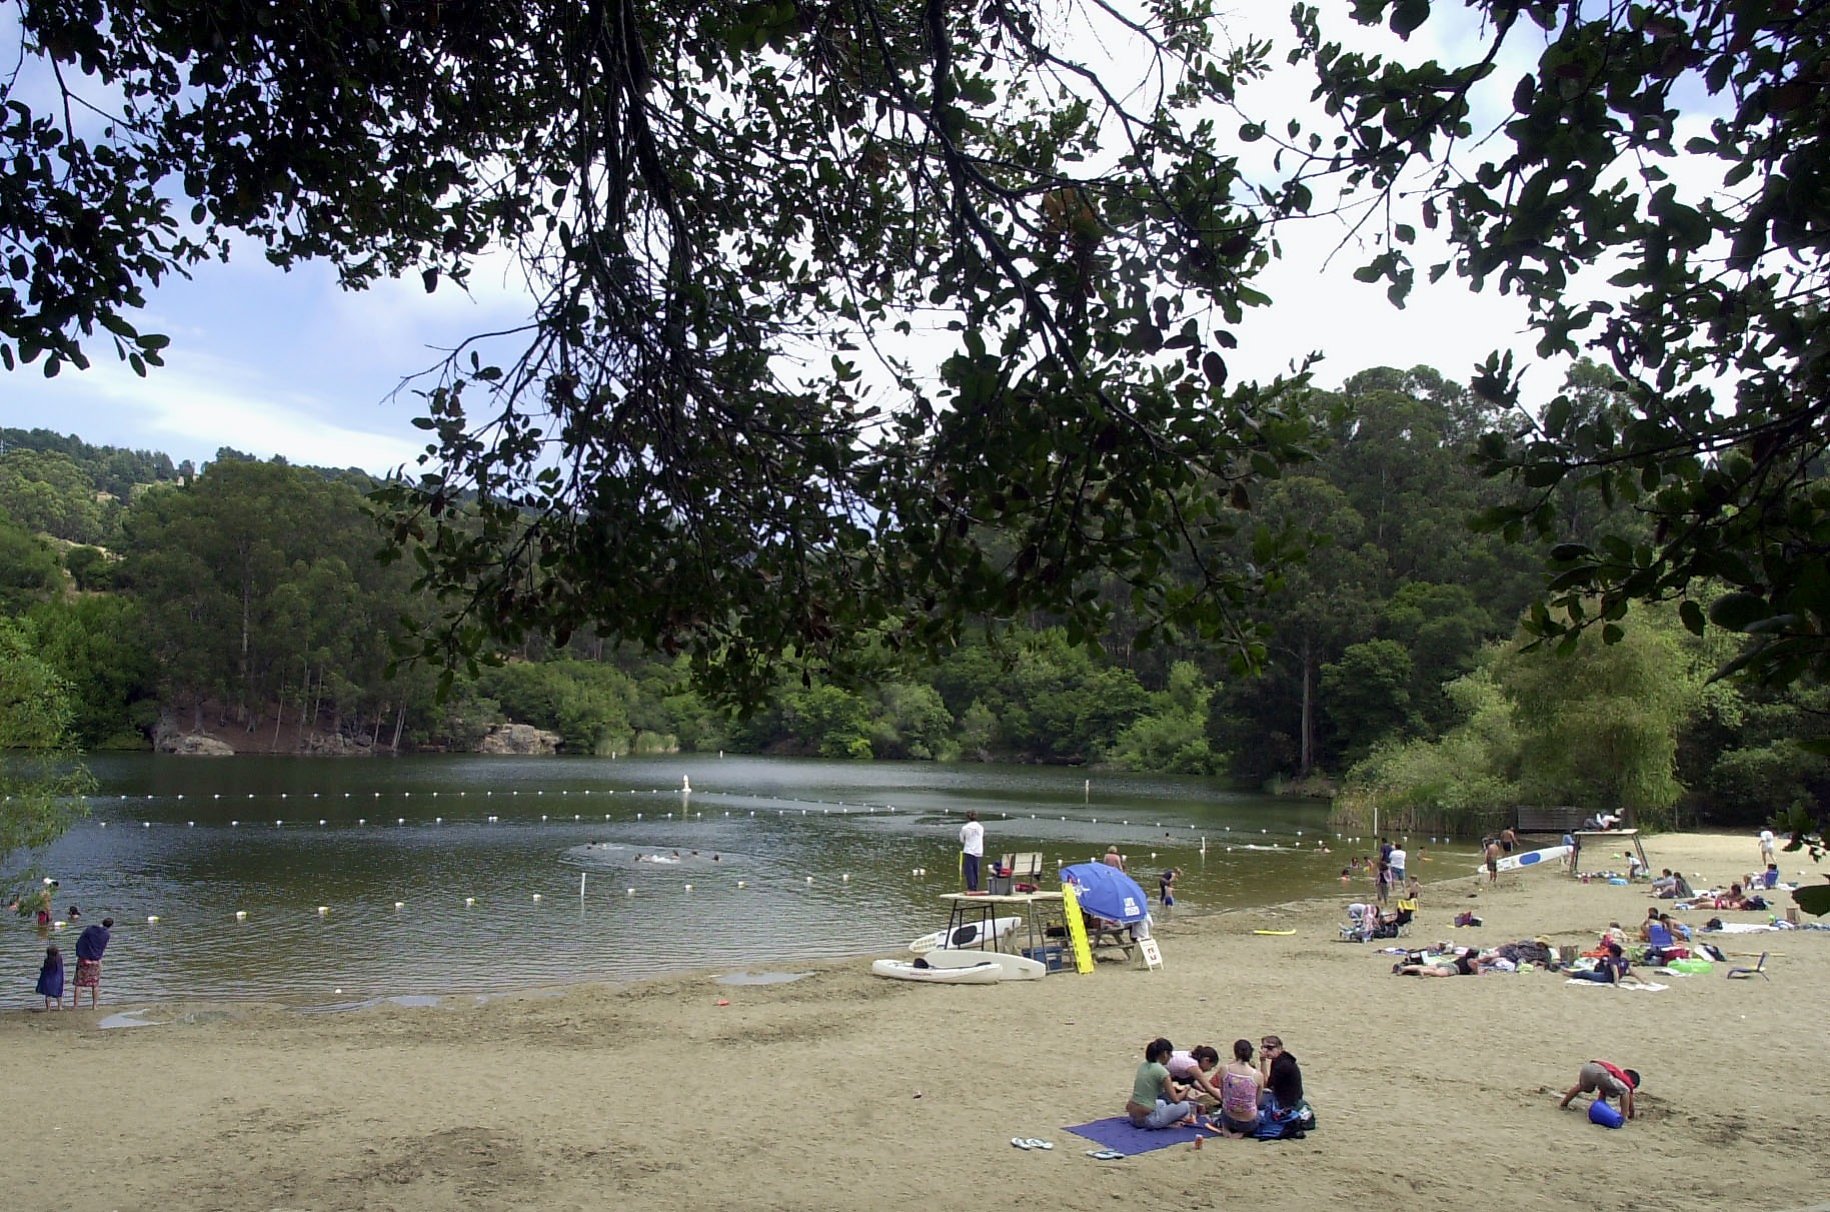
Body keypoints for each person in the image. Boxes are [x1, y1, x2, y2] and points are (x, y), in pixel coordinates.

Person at [1126, 1037, 1199, 1130]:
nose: (1171, 1057)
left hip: (1133, 1116)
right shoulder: (1162, 1072)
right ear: (1165, 1054)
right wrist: (1186, 1089)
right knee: (1185, 1106)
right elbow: (1176, 1100)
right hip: (1148, 1120)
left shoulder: (1143, 1065)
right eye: (1170, 1054)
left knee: (1161, 1102)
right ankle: (1181, 1120)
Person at [1559, 1060, 1639, 1121]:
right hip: (1601, 1071)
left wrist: (1600, 1108)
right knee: (1625, 1091)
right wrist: (1631, 1115)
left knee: (1583, 1087)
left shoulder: (1615, 1075)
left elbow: (1602, 1092)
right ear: (1633, 1084)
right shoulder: (1627, 1082)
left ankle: (1564, 1103)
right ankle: (1622, 1118)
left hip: (1588, 1067)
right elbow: (1630, 1102)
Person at [1215, 1040, 1263, 1137]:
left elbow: (1223, 1093)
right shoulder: (1257, 1075)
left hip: (1228, 1118)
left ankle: (1225, 1128)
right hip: (1248, 1122)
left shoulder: (1225, 1069)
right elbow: (1257, 1101)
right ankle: (1242, 1132)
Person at [1258, 1035, 1304, 1114]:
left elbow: (1265, 1084)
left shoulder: (1282, 1065)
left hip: (1286, 1103)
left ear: (1280, 1048)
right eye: (1264, 1047)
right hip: (1290, 1097)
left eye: (1270, 1048)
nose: (1266, 1051)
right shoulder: (1281, 1059)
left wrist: (1263, 1061)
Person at [73, 917, 112, 1008]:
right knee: (95, 984)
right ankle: (94, 1006)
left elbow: (80, 942)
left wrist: (80, 953)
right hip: (96, 960)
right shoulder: (106, 935)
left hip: (84, 959)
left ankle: (76, 1005)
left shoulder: (90, 929)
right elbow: (101, 948)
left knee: (79, 983)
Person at [1396, 947, 1486, 977]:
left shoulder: (1463, 957)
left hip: (1448, 963)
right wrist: (1482, 972)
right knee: (1437, 973)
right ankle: (1423, 971)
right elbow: (1476, 972)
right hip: (1453, 969)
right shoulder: (1473, 961)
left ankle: (1404, 968)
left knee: (1429, 966)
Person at [959, 811, 984, 892]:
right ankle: (975, 886)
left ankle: (971, 887)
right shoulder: (981, 827)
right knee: (976, 869)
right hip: (978, 850)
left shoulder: (965, 828)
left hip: (969, 850)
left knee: (969, 870)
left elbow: (962, 840)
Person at [36, 944, 65, 1010]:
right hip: (57, 979)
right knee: (58, 994)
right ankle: (60, 1007)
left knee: (47, 995)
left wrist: (42, 969)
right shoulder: (59, 959)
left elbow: (45, 969)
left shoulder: (47, 960)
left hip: (48, 980)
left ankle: (48, 1008)